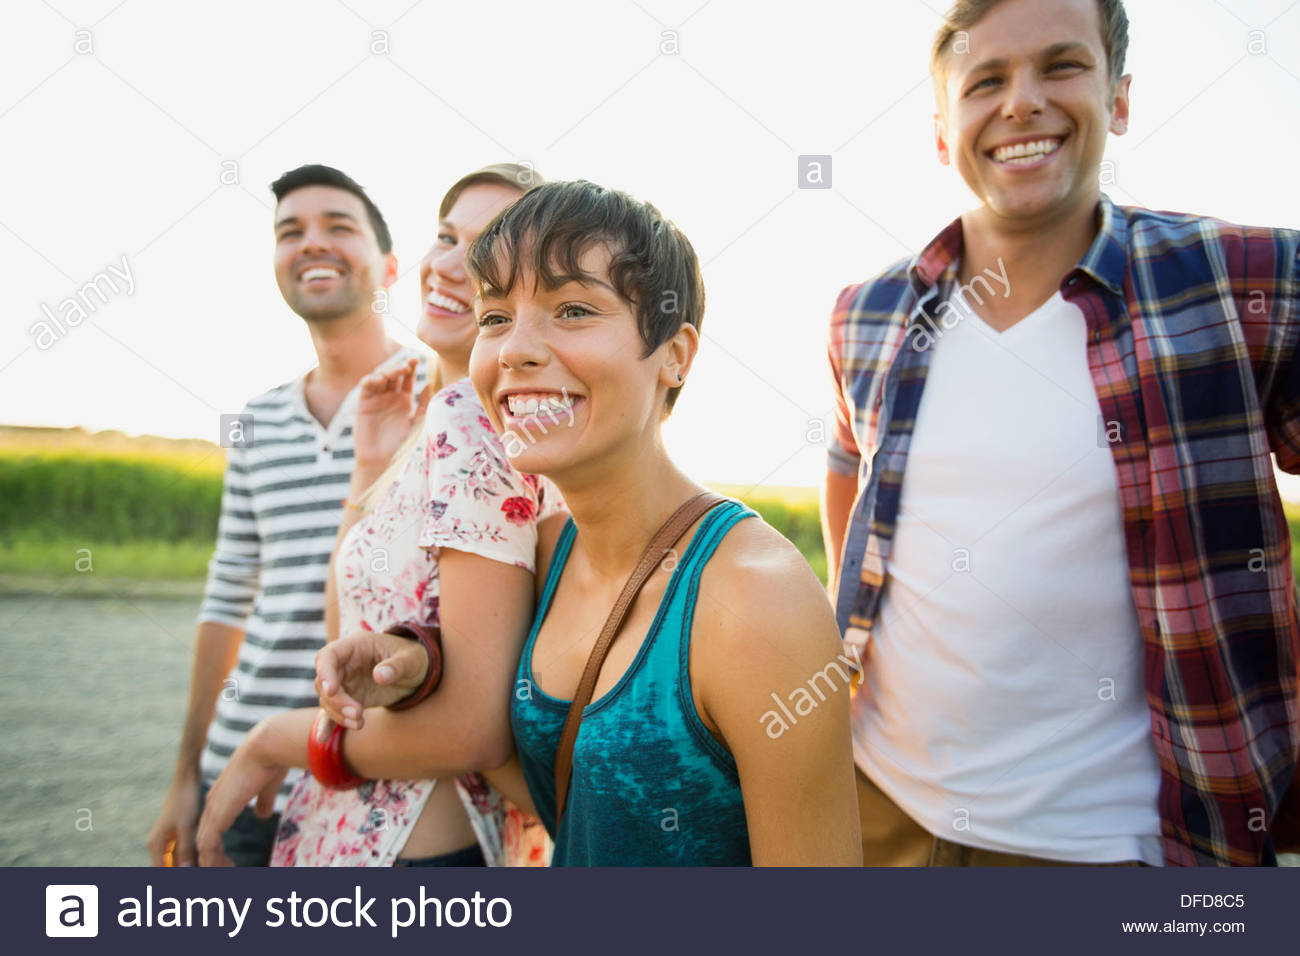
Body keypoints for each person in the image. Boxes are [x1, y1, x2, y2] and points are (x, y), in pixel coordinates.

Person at [822, 0, 1299, 867]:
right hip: (874, 807)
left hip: (1107, 849)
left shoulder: (1241, 282)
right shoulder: (870, 313)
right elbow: (849, 464)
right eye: (987, 81)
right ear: (942, 130)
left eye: (1061, 66)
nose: (1022, 102)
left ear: (1118, 98)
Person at [328, 180, 863, 865]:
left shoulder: (756, 599)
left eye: (573, 309)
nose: (515, 350)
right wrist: (419, 668)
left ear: (675, 353)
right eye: (495, 317)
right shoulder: (555, 553)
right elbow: (587, 807)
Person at [193, 165, 563, 867]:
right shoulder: (432, 423)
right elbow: (349, 655)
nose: (449, 266)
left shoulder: (475, 422)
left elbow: (473, 733)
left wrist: (276, 738)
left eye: (487, 247)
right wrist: (369, 467)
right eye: (446, 236)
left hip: (415, 855)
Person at [147, 164, 427, 867]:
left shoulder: (442, 396)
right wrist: (187, 774)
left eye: (339, 227)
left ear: (389, 265)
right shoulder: (254, 420)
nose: (311, 244)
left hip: (374, 767)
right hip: (244, 771)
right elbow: (229, 589)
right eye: (290, 232)